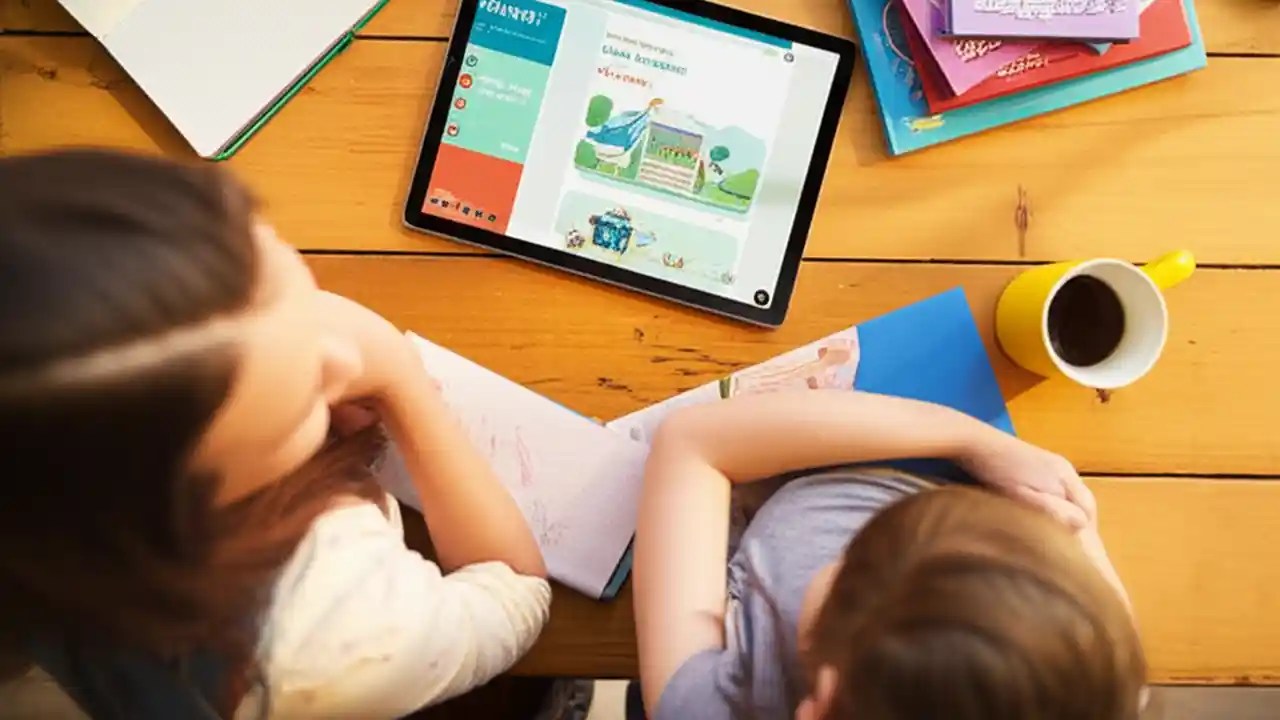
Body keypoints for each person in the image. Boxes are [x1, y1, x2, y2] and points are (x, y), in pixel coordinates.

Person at [0, 149, 551, 719]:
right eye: (300, 410)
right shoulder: (333, 632)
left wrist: (276, 363)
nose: (344, 355)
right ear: (187, 509)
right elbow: (515, 590)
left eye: (288, 276)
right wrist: (401, 379)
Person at [634, 390, 1146, 720]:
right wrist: (1079, 532)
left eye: (852, 557)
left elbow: (691, 441)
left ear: (820, 703)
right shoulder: (1095, 678)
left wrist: (969, 439)